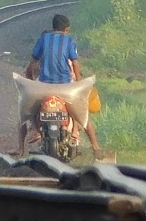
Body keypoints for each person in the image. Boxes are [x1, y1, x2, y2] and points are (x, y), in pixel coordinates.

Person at [18, 13, 102, 158]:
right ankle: (95, 147)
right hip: (66, 87)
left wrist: (30, 80)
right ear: (66, 29)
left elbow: (32, 63)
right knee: (82, 111)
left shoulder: (44, 39)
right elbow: (75, 63)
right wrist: (78, 81)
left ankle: (27, 141)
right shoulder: (69, 41)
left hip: (44, 86)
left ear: (53, 27)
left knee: (25, 112)